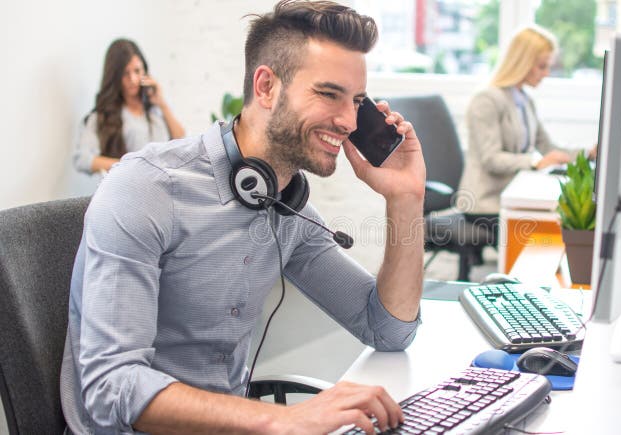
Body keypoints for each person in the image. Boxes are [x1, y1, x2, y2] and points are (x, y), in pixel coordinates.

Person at [60, 2, 425, 434]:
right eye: (329, 94)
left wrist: (406, 200)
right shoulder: (146, 189)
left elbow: (388, 330)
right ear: (267, 86)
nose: (347, 121)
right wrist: (281, 420)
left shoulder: (286, 209)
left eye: (357, 102)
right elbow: (111, 388)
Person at [457, 26, 595, 230]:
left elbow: (549, 148)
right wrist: (535, 163)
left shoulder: (524, 101)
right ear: (523, 63)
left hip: (512, 195)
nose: (546, 73)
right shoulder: (486, 100)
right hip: (485, 204)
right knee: (550, 227)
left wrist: (588, 154)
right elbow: (491, 158)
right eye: (541, 66)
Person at [73, 38, 185, 174]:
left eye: (137, 71)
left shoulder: (156, 110)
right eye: (126, 74)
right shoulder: (102, 116)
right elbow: (82, 160)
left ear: (145, 72)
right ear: (115, 77)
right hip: (128, 189)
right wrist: (130, 165)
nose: (132, 79)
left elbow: (181, 143)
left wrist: (162, 104)